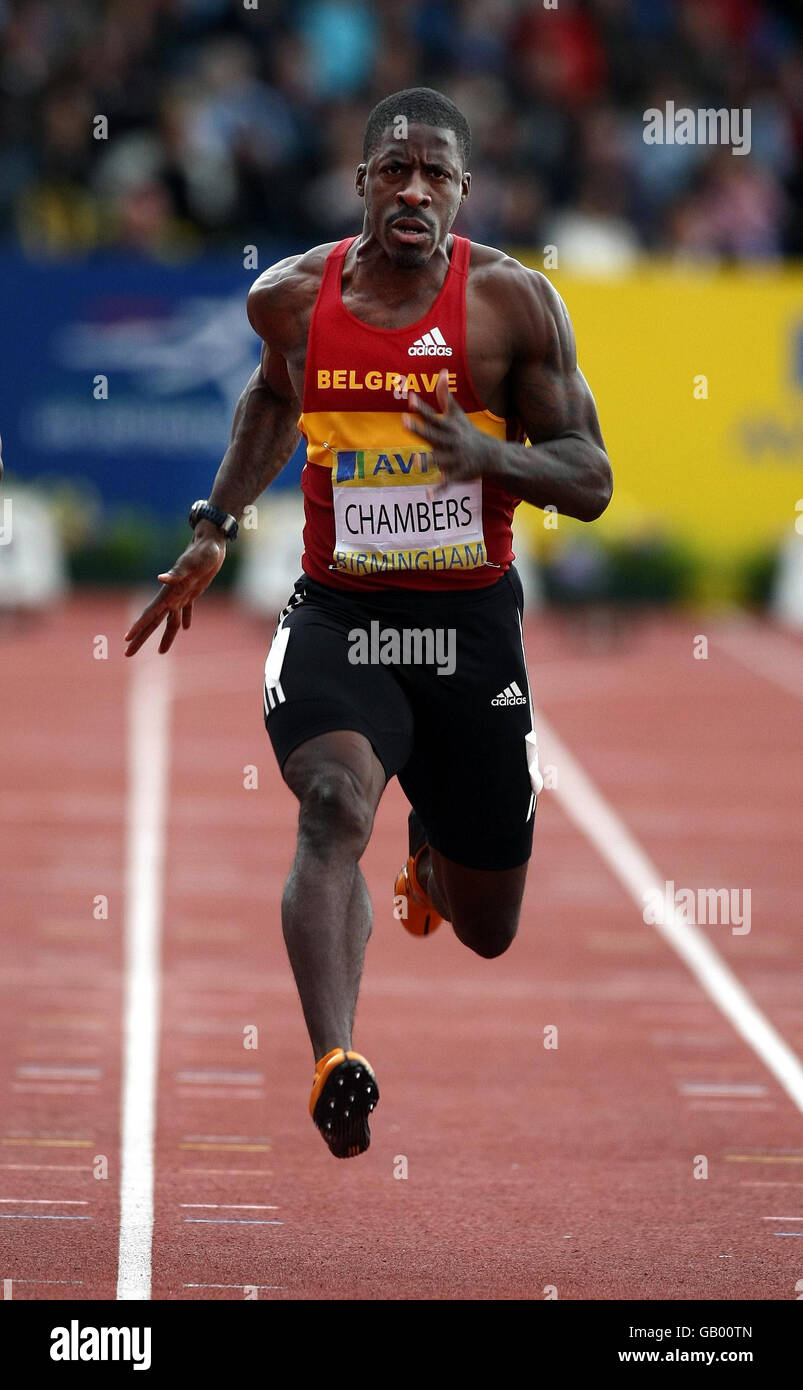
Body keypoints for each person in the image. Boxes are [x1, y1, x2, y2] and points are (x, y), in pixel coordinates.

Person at [125, 88, 612, 1160]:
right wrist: (213, 524)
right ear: (358, 184)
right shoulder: (291, 300)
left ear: (462, 192)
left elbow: (589, 479)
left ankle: (432, 852)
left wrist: (494, 457)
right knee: (331, 804)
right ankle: (335, 1058)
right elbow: (269, 399)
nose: (412, 189)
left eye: (434, 173)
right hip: (341, 612)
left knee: (488, 930)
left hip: (468, 630)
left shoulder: (511, 307)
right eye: (392, 169)